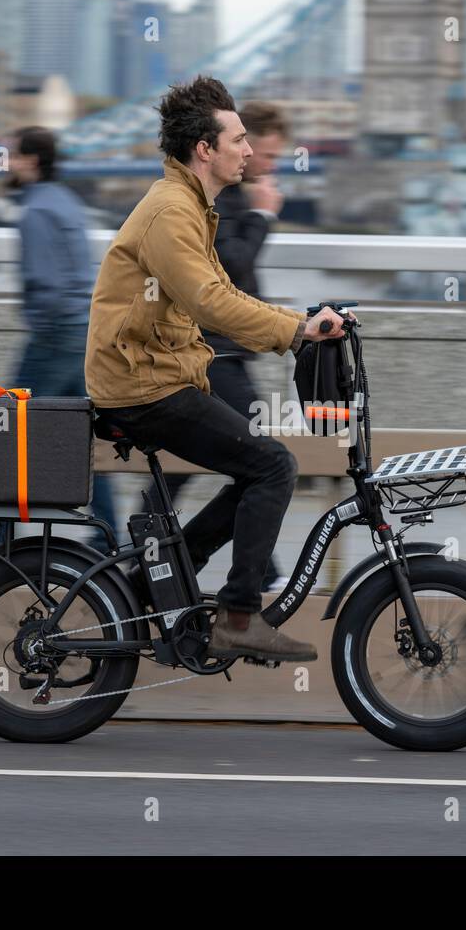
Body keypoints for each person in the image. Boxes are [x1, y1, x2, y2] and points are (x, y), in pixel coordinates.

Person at [85, 76, 349, 662]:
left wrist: (301, 318)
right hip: (142, 387)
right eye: (239, 139)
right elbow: (211, 302)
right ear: (205, 149)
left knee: (254, 466)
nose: (250, 151)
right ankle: (238, 614)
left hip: (159, 375)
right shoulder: (172, 212)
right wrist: (296, 332)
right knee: (273, 466)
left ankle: (167, 576)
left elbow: (223, 290)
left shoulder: (191, 205)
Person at [0, 126, 118, 555]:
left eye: (10, 154)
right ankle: (106, 534)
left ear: (31, 161)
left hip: (56, 335)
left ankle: (1, 533)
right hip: (81, 331)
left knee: (9, 424)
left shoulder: (37, 211)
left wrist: (41, 328)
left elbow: (46, 282)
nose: (3, 161)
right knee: (78, 438)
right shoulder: (66, 201)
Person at [147, 100, 291, 593]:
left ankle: (156, 560)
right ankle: (245, 585)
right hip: (210, 356)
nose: (257, 158)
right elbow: (227, 275)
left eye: (263, 151)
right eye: (249, 146)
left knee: (219, 462)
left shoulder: (207, 199)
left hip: (216, 352)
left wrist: (294, 325)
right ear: (207, 149)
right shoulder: (206, 203)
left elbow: (229, 289)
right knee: (264, 461)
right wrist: (262, 217)